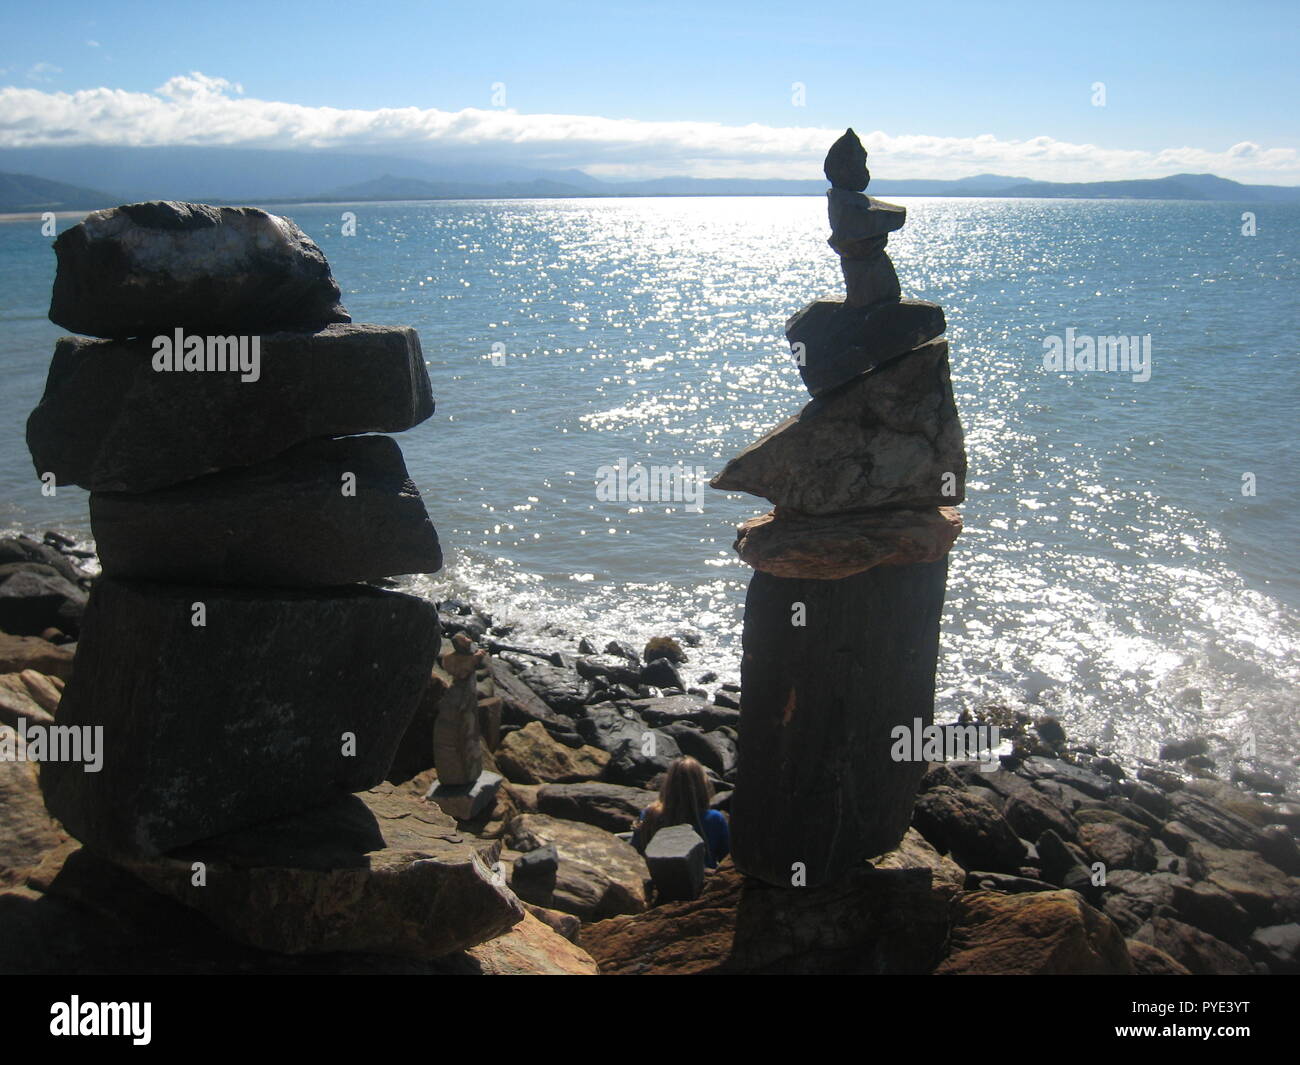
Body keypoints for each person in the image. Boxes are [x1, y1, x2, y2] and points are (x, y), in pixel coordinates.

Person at [631, 756, 730, 868]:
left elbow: (634, 855)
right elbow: (727, 861)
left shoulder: (650, 814)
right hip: (704, 883)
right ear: (702, 785)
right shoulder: (714, 819)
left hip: (657, 882)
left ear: (668, 784)